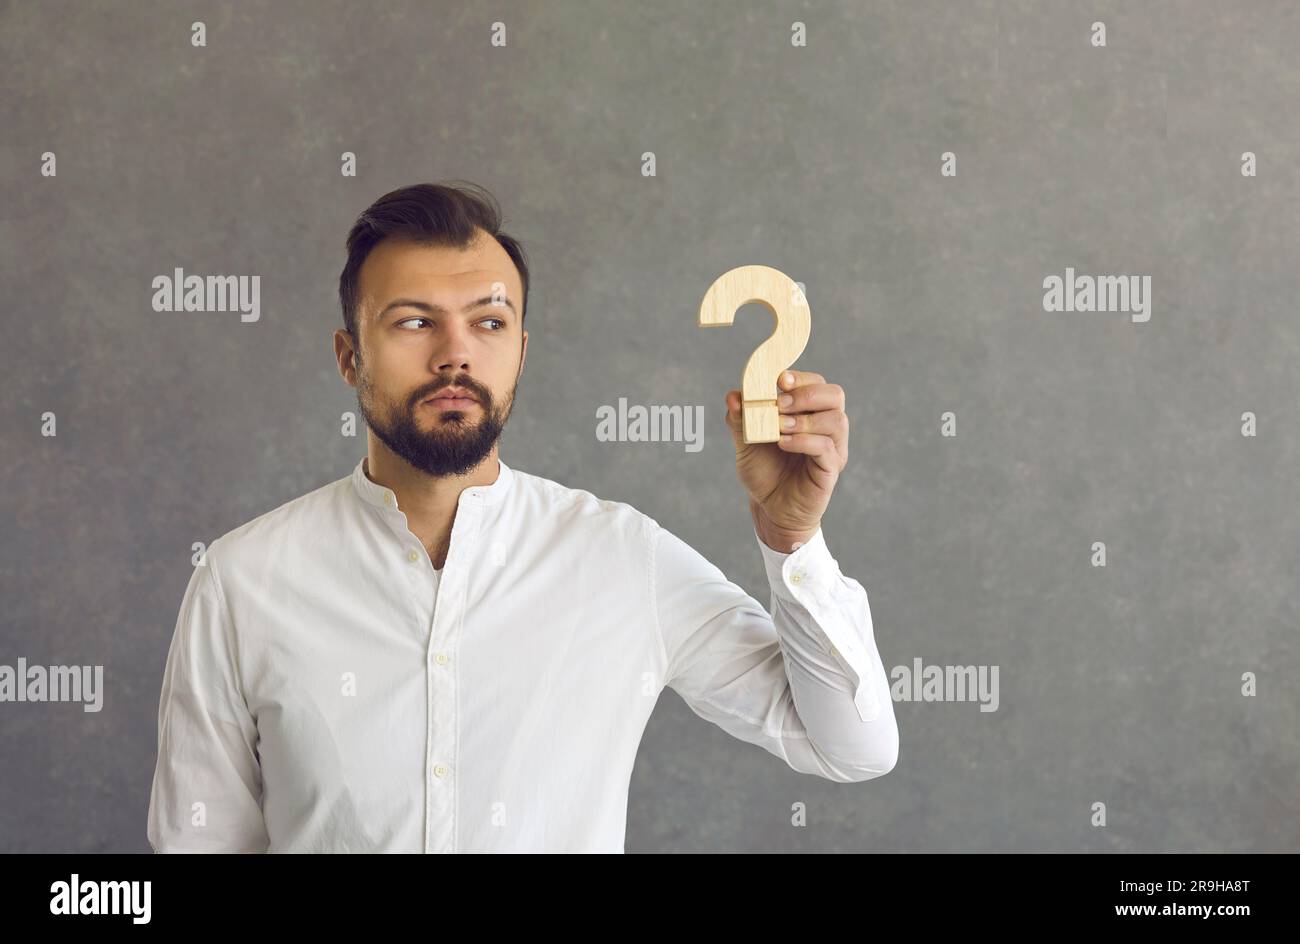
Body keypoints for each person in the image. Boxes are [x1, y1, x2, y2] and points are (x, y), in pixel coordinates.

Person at [146, 181, 899, 853]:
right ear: (349, 356)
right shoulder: (243, 583)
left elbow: (850, 747)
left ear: (522, 352)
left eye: (489, 323)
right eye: (414, 323)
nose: (456, 356)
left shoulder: (619, 559)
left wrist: (791, 538)